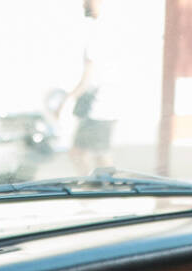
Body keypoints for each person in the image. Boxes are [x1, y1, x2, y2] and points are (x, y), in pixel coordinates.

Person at [62, 0, 118, 175]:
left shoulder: (98, 33)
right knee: (98, 153)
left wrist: (67, 99)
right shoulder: (108, 28)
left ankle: (96, 188)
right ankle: (100, 188)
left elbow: (88, 78)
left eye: (87, 1)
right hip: (106, 105)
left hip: (99, 107)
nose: (83, 5)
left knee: (85, 153)